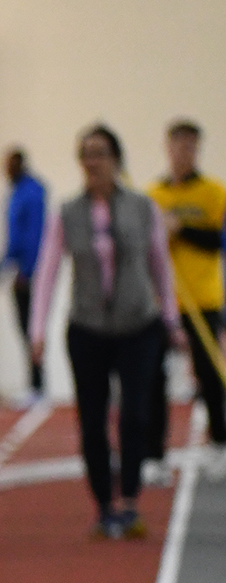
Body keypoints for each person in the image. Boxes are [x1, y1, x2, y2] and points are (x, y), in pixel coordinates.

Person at [28, 124, 186, 539]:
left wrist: (170, 318)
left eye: (100, 153)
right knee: (93, 419)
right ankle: (103, 505)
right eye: (85, 154)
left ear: (117, 159)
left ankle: (130, 501)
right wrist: (37, 329)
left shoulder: (143, 207)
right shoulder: (67, 213)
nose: (92, 162)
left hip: (138, 326)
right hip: (88, 328)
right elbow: (47, 271)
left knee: (135, 414)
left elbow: (159, 265)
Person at [145, 119, 226, 480]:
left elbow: (219, 242)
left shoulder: (214, 194)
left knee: (210, 376)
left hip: (204, 298)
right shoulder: (152, 197)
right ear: (168, 147)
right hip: (162, 303)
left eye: (190, 147)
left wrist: (183, 229)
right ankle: (154, 453)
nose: (183, 152)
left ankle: (220, 444)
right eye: (178, 145)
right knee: (152, 378)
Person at [0, 148, 48, 403]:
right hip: (23, 268)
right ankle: (35, 382)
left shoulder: (30, 193)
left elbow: (30, 236)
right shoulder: (19, 192)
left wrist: (25, 270)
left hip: (29, 271)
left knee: (31, 327)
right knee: (25, 329)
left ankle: (37, 384)